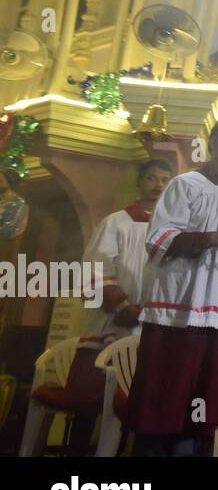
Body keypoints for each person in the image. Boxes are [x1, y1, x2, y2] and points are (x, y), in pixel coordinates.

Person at [126, 116, 218, 456]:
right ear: (214, 143)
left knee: (205, 406)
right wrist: (212, 238)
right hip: (180, 313)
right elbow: (159, 239)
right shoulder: (185, 185)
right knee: (164, 398)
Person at [64, 158, 173, 455]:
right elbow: (95, 270)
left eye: (165, 179)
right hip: (112, 320)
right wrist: (121, 306)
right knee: (91, 401)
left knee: (137, 404)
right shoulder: (116, 222)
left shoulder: (173, 232)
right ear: (140, 182)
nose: (158, 185)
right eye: (152, 178)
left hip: (153, 324)